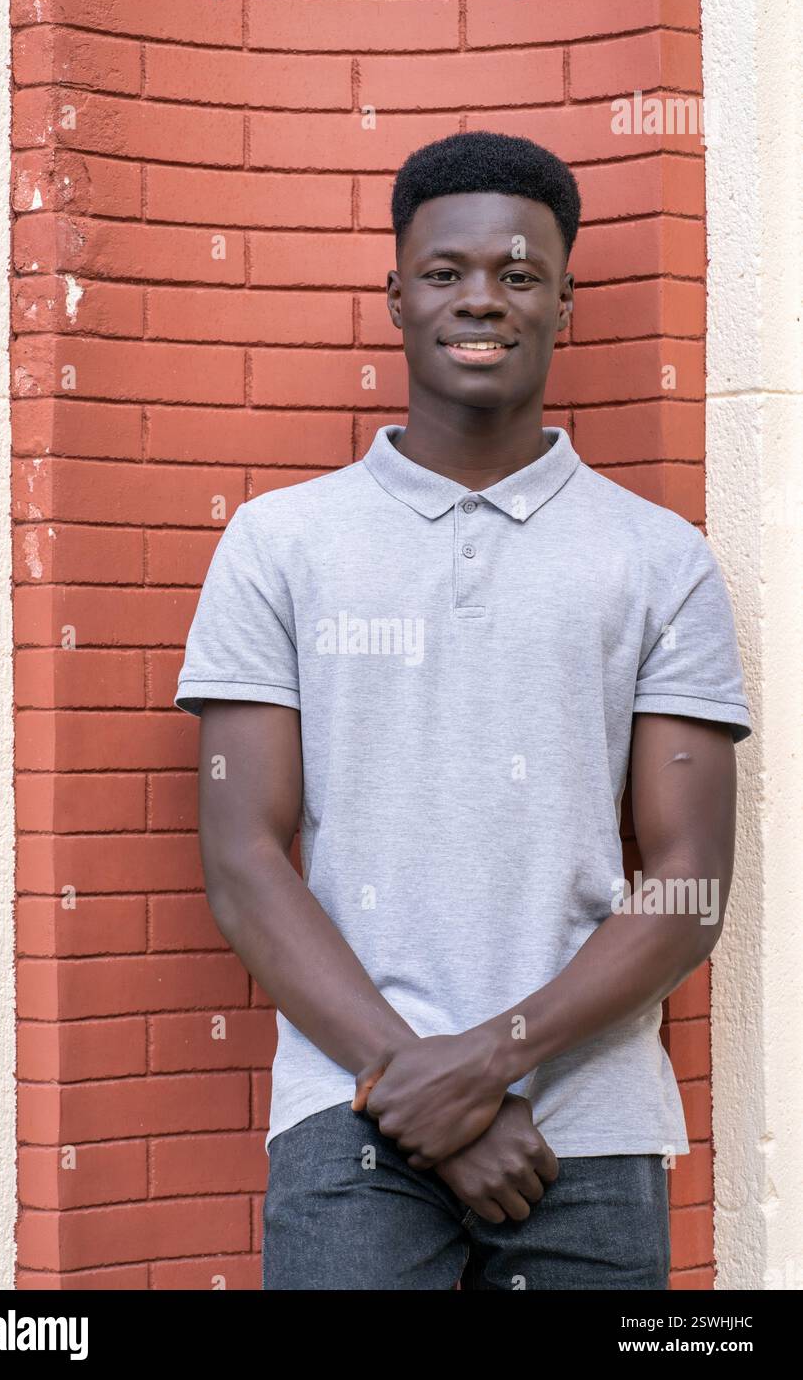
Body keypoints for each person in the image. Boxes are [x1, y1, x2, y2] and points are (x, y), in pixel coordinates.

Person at [174, 131, 752, 1291]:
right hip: (349, 1118)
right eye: (444, 273)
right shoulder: (278, 545)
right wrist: (419, 1085)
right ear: (396, 295)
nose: (478, 298)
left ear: (562, 301)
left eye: (517, 273)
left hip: (586, 1132)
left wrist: (489, 1060)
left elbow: (688, 882)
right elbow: (242, 857)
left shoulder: (659, 560)